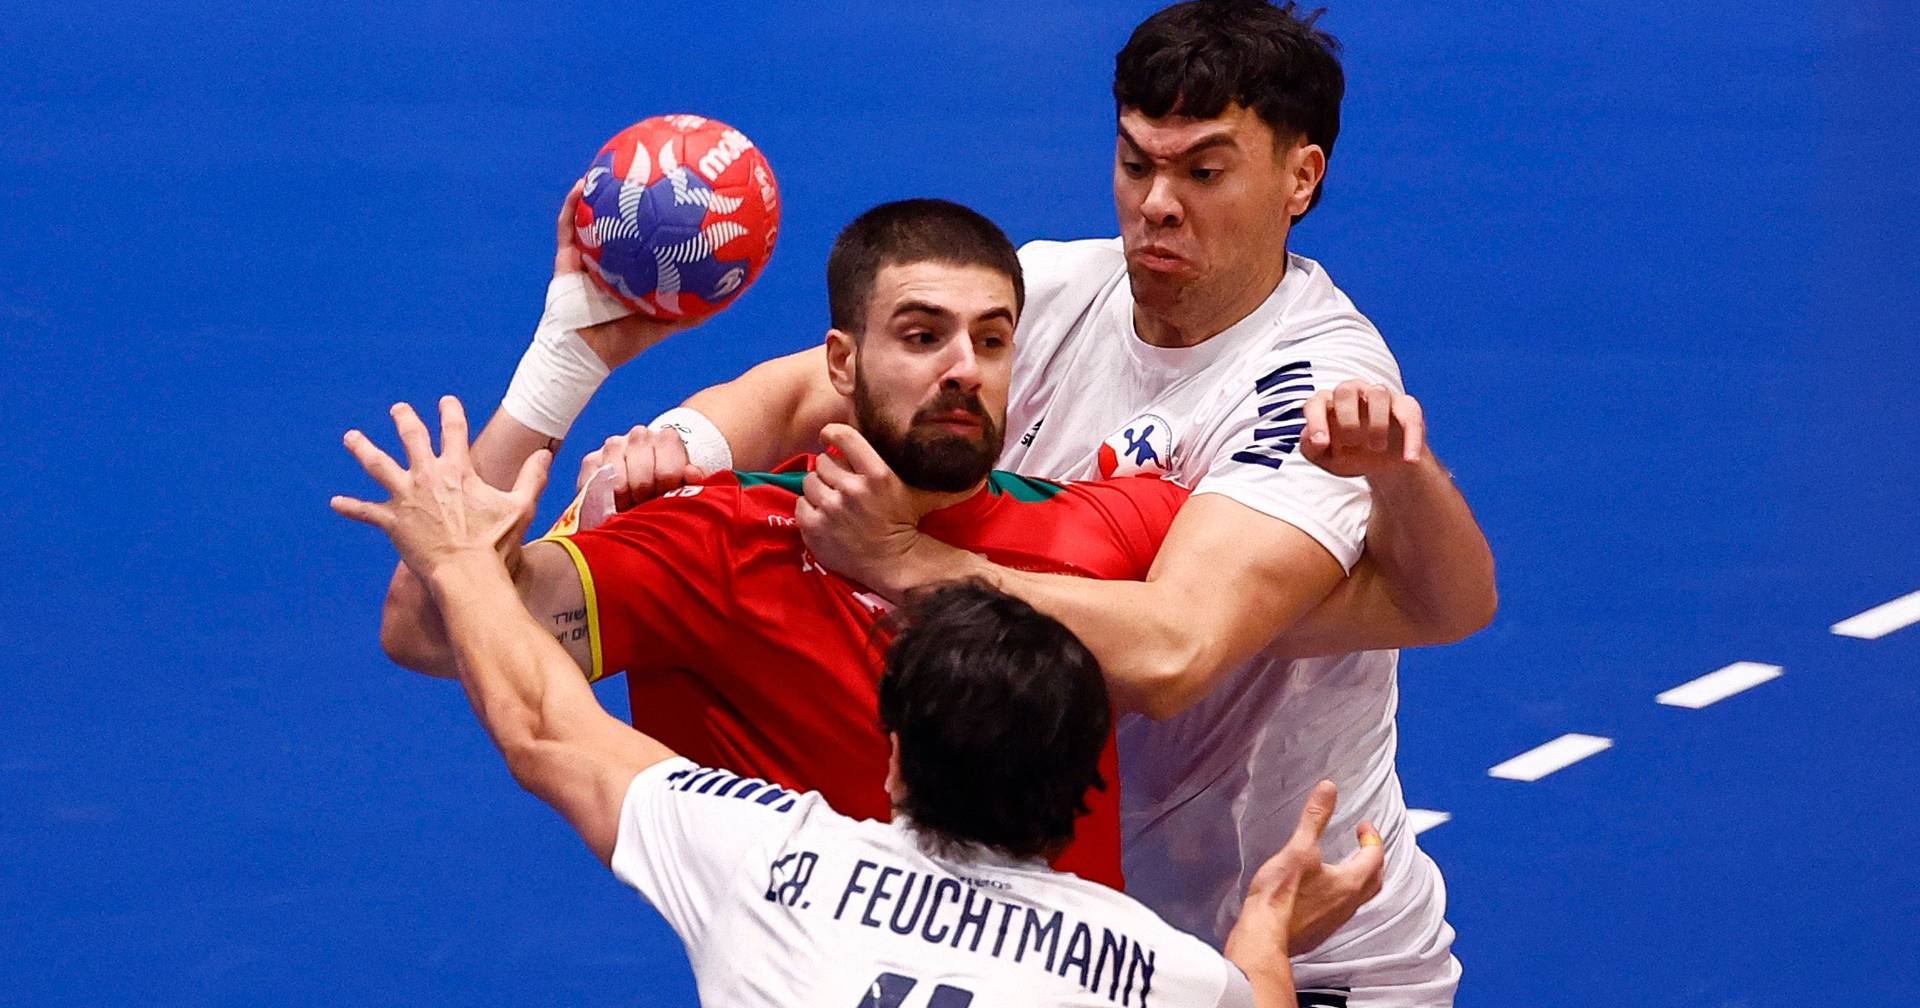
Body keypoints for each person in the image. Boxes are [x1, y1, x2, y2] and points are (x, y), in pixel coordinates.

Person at [484, 3, 1497, 1003]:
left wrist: (904, 562)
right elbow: (806, 388)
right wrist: (683, 443)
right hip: (1083, 930)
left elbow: (1178, 652)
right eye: (1137, 162)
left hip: (1295, 939)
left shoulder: (1309, 382)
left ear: (1301, 178)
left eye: (1203, 171)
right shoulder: (1049, 292)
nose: (1155, 203)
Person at [381, 199, 1386, 916]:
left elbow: (1430, 605)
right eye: (922, 335)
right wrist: (566, 365)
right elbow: (435, 626)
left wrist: (1406, 475)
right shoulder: (718, 541)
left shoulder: (1110, 528)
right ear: (841, 365)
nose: (962, 368)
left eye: (993, 342)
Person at [334, 396, 1372, 1007]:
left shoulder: (771, 862)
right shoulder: (1164, 975)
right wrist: (1266, 934)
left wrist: (461, 555)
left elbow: (542, 724)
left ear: (895, 761)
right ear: (1086, 776)